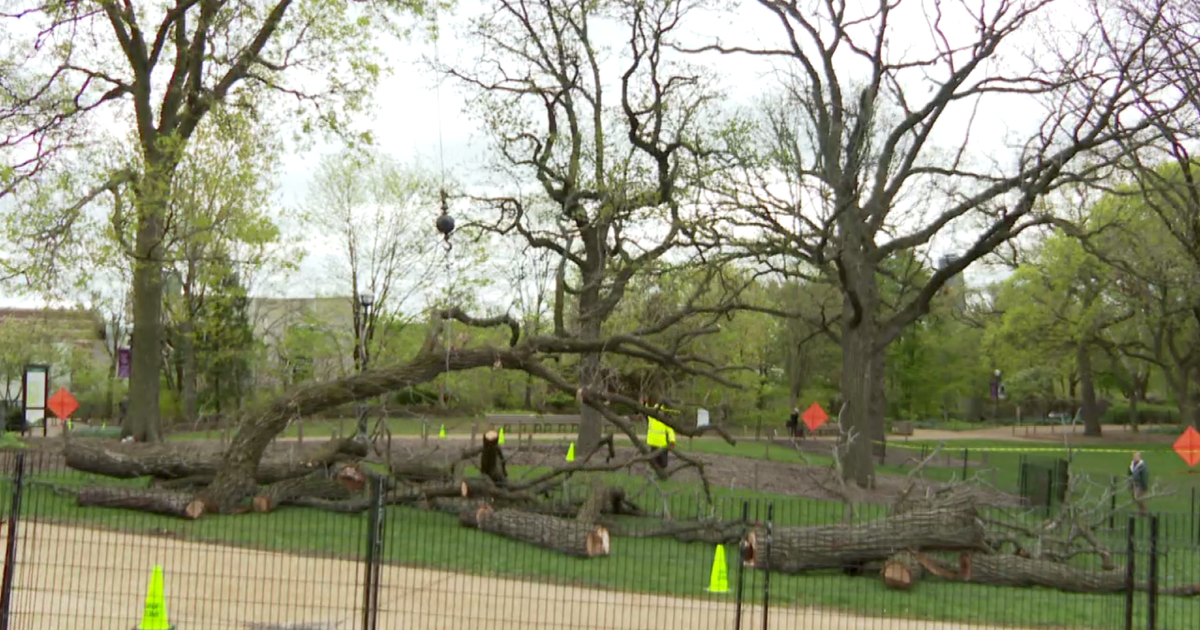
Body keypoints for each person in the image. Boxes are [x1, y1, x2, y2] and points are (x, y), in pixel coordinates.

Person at [645, 398, 676, 469]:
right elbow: (645, 409)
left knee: (662, 464)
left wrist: (672, 441)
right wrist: (646, 402)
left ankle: (659, 474)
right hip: (654, 444)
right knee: (655, 464)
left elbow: (670, 430)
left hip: (661, 444)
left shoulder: (664, 419)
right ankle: (655, 475)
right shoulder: (652, 417)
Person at [1129, 451, 1149, 515]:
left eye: (1137, 456)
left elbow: (1144, 477)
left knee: (1140, 498)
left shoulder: (1143, 466)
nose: (1135, 458)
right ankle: (1140, 510)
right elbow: (1129, 474)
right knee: (1135, 498)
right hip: (1133, 484)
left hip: (1140, 484)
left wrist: (1143, 486)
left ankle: (1143, 511)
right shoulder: (1132, 465)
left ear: (1139, 457)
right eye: (1134, 456)